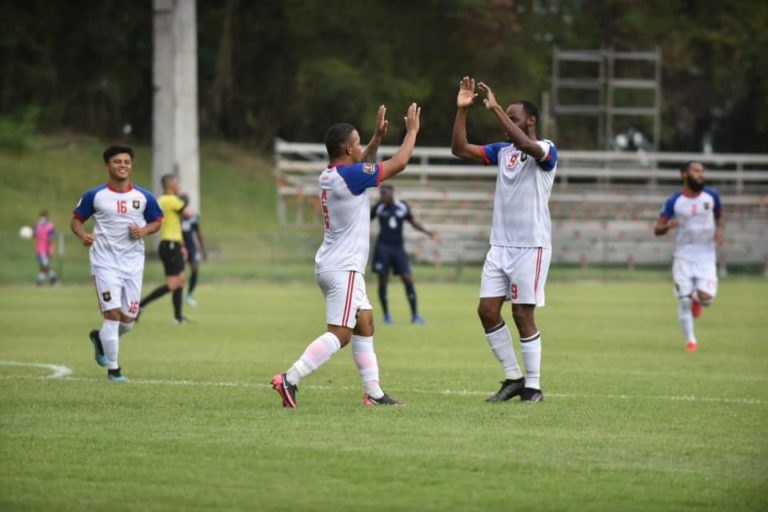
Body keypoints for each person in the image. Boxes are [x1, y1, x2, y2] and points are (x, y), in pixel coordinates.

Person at [271, 103, 421, 409]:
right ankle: (290, 378)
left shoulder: (331, 175)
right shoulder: (350, 177)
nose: (361, 145)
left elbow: (362, 167)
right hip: (345, 268)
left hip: (331, 264)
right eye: (358, 142)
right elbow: (400, 163)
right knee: (340, 334)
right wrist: (413, 132)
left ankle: (374, 394)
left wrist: (377, 138)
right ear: (347, 148)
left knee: (364, 322)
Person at [451, 76, 558, 403]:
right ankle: (513, 378)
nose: (506, 122)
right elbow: (459, 149)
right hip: (500, 246)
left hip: (531, 246)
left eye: (513, 118)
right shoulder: (501, 151)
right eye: (505, 116)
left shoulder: (546, 150)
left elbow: (528, 145)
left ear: (531, 121)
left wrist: (495, 107)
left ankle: (534, 387)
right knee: (486, 311)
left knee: (523, 314)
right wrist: (462, 112)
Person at [71, 145, 163, 382]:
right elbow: (76, 220)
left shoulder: (143, 197)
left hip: (133, 264)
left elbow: (156, 222)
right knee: (112, 315)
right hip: (104, 262)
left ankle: (101, 340)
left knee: (128, 321)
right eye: (117, 162)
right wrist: (83, 236)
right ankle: (114, 370)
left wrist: (143, 230)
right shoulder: (95, 195)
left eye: (126, 162)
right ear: (107, 166)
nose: (123, 166)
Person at [654, 161, 723, 352]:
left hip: (706, 256)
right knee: (683, 300)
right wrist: (667, 226)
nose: (700, 175)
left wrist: (719, 231)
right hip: (683, 256)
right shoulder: (674, 201)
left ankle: (697, 298)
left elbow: (719, 216)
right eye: (696, 171)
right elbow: (657, 228)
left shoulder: (712, 196)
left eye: (702, 171)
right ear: (685, 175)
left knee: (706, 299)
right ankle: (691, 341)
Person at [370, 184, 438, 324]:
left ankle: (415, 316)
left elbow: (413, 223)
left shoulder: (402, 206)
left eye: (385, 193)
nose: (382, 196)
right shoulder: (379, 207)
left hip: (398, 248)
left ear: (392, 193)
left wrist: (428, 232)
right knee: (383, 280)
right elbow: (365, 220)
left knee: (407, 278)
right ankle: (387, 316)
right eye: (381, 193)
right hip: (382, 247)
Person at [139, 174, 192, 324]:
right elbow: (188, 214)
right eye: (177, 183)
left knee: (180, 280)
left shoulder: (162, 200)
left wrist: (182, 245)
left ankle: (178, 317)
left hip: (173, 244)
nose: (179, 186)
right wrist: (185, 201)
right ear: (171, 185)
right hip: (170, 245)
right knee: (172, 284)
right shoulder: (170, 200)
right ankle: (140, 306)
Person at [179, 194, 206, 307]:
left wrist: (203, 249)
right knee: (180, 273)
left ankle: (189, 295)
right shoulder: (176, 216)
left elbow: (198, 233)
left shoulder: (192, 216)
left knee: (195, 269)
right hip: (179, 247)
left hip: (191, 247)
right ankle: (178, 295)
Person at [34, 210, 57, 285]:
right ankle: (40, 281)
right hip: (39, 250)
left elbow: (52, 237)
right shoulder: (37, 226)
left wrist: (51, 249)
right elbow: (34, 234)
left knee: (45, 265)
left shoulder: (50, 226)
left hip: (47, 250)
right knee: (42, 266)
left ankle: (53, 279)